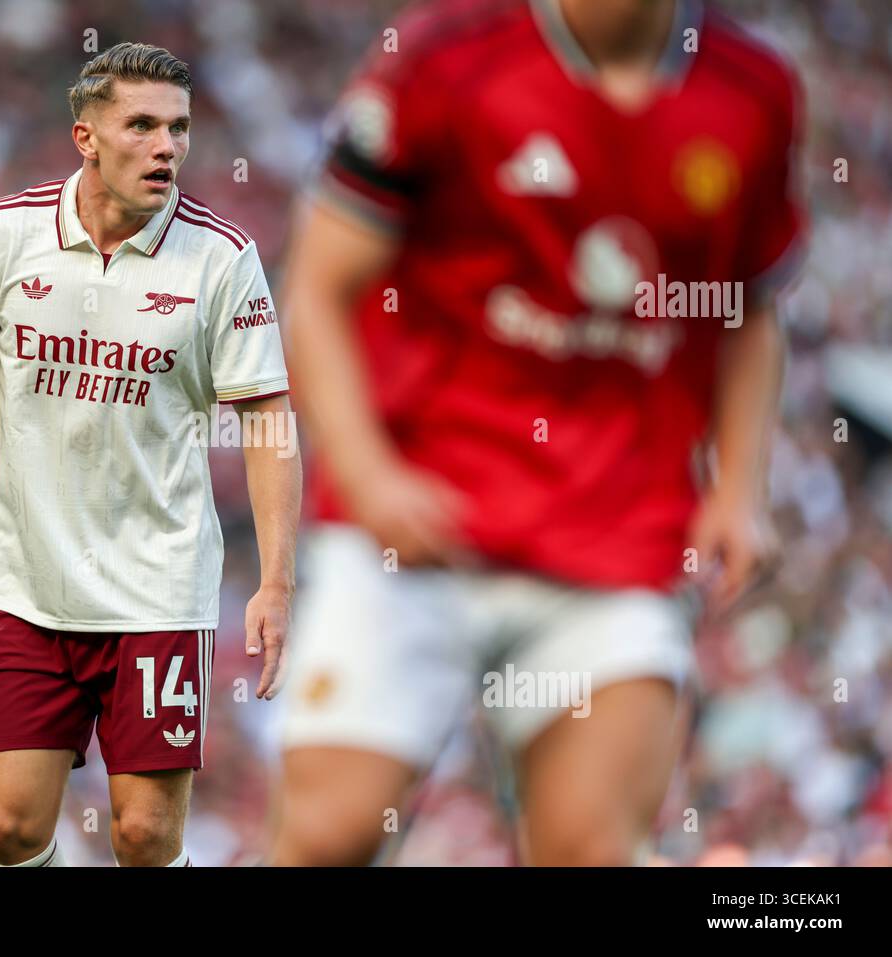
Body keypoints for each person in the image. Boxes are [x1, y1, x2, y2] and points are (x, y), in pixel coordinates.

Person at [272, 0, 804, 865]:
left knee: (589, 849)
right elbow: (319, 283)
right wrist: (366, 473)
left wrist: (741, 490)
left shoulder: (754, 91)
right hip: (422, 518)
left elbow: (749, 311)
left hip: (619, 534)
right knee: (328, 835)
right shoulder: (448, 53)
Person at [0, 42, 300, 867]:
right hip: (30, 587)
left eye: (178, 128)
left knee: (143, 834)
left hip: (158, 594)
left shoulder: (221, 259)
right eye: (141, 125)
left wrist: (277, 579)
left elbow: (269, 422)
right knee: (10, 826)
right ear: (86, 137)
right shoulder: (5, 235)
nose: (166, 146)